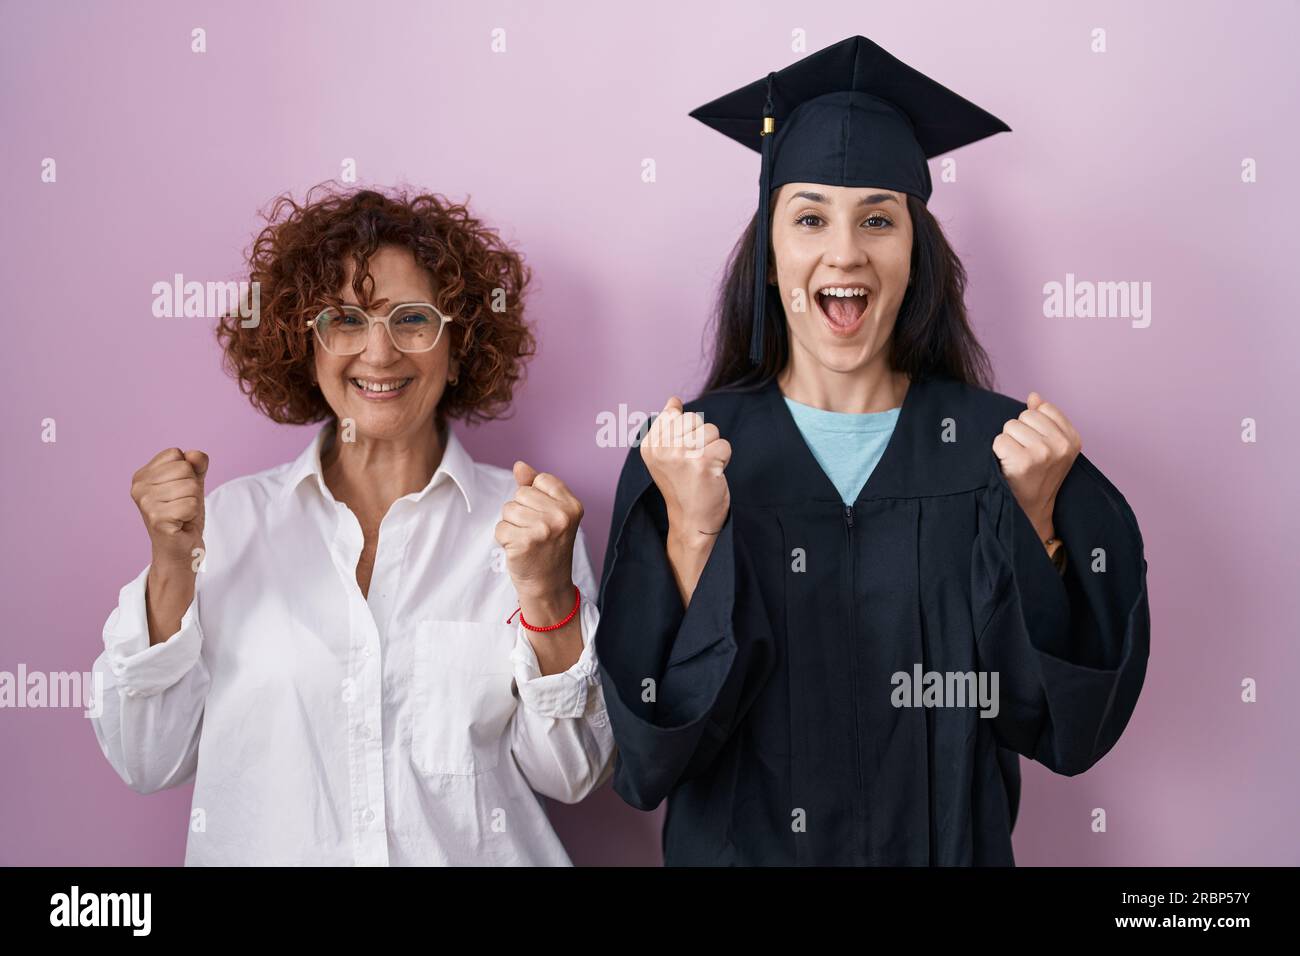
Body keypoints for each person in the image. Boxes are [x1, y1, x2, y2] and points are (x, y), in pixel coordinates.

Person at [595, 36, 1150, 865]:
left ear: (915, 250)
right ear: (771, 249)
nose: (845, 250)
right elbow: (647, 760)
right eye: (810, 216)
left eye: (879, 220)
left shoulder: (1000, 457)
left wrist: (1036, 526)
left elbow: (1061, 728)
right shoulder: (689, 455)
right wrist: (691, 535)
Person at [90, 185, 614, 865]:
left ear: (458, 348)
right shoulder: (225, 526)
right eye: (345, 319)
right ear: (304, 346)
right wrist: (169, 567)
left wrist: (545, 596)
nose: (380, 352)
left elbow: (573, 774)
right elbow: (145, 760)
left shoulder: (532, 530)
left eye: (413, 320)